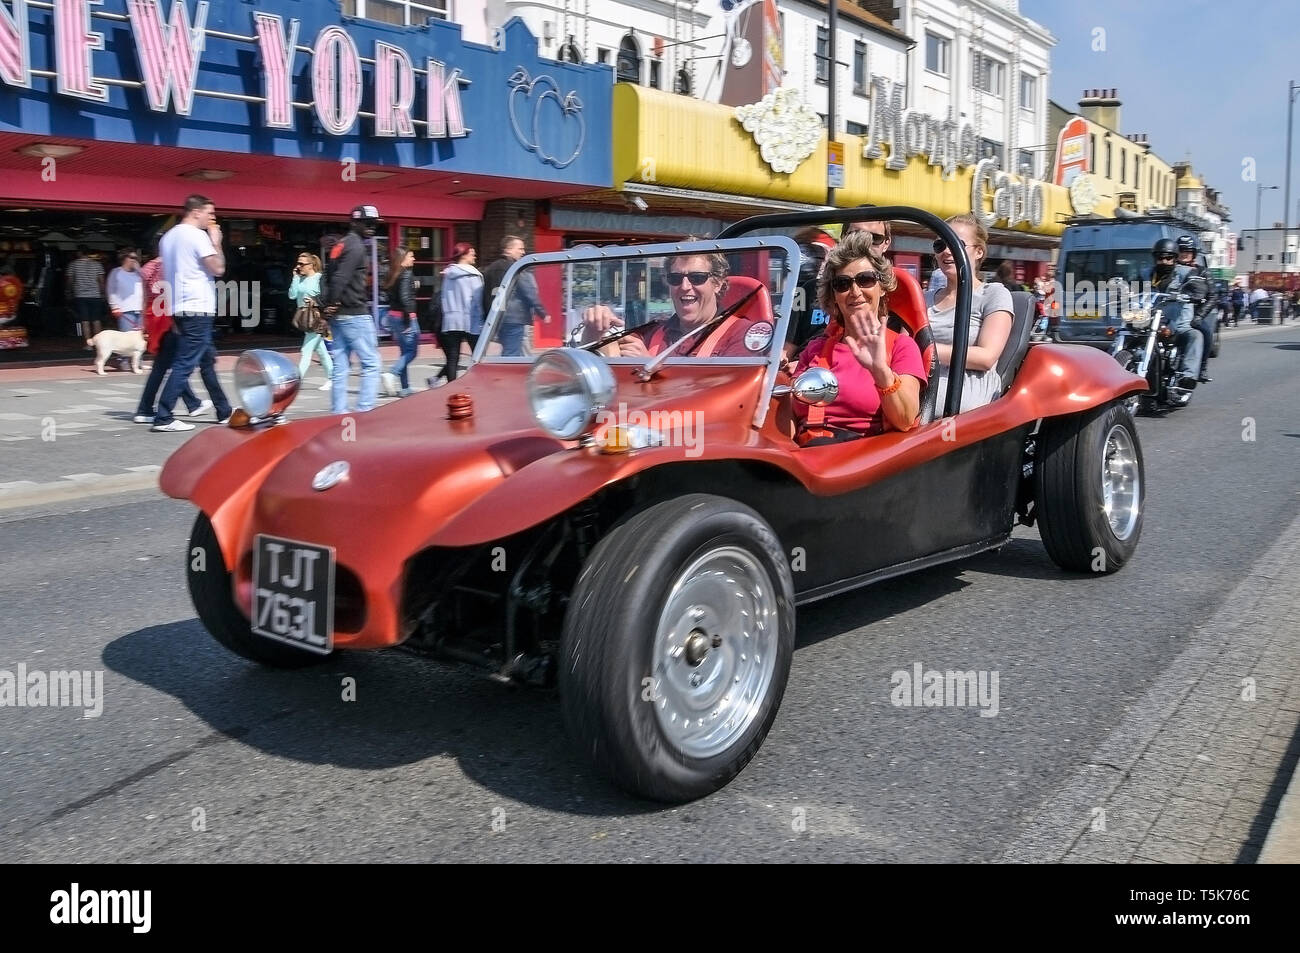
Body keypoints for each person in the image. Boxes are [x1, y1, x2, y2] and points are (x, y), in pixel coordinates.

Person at [785, 231, 925, 445]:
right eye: (842, 284)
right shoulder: (816, 349)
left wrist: (881, 373)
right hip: (807, 456)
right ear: (833, 297)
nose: (854, 291)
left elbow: (905, 421)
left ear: (883, 288)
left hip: (864, 459)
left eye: (865, 280)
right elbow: (791, 416)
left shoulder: (901, 347)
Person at [581, 249, 770, 358]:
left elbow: (730, 399)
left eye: (697, 277)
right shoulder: (652, 333)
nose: (685, 286)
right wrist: (593, 331)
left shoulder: (742, 334)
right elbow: (603, 366)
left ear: (718, 283)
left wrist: (650, 367)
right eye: (675, 278)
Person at [152, 194, 233, 433]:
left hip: (178, 305)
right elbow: (218, 269)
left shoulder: (168, 237)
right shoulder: (198, 236)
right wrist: (216, 242)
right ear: (196, 211)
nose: (213, 217)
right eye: (210, 213)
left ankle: (223, 410)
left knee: (206, 360)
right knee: (185, 363)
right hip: (198, 306)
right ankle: (163, 416)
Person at [927, 215, 1014, 413]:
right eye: (940, 245)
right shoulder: (923, 298)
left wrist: (926, 349)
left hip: (966, 408)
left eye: (957, 244)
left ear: (978, 251)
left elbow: (986, 357)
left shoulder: (993, 294)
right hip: (916, 403)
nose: (947, 251)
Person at [134, 245, 206, 423]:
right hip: (167, 313)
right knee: (175, 363)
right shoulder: (171, 266)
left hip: (154, 313)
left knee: (166, 362)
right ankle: (153, 409)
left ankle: (190, 404)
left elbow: (145, 295)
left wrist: (143, 320)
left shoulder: (149, 267)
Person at [323, 205, 383, 413]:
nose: (371, 227)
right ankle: (364, 412)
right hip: (355, 314)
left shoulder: (341, 244)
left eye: (374, 223)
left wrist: (328, 307)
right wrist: (330, 303)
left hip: (339, 316)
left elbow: (328, 276)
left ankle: (338, 413)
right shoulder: (356, 247)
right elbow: (339, 278)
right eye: (367, 223)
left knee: (341, 365)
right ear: (354, 223)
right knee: (371, 363)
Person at [1149, 237, 1203, 404]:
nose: (1164, 261)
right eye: (1160, 257)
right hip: (1150, 320)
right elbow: (1133, 287)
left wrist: (1196, 293)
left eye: (1168, 258)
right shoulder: (1146, 273)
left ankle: (1188, 377)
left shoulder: (1186, 273)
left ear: (1174, 258)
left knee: (1196, 336)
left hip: (1178, 322)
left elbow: (1199, 286)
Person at [482, 235, 549, 357]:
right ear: (508, 250)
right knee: (512, 354)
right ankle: (506, 376)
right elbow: (528, 291)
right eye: (520, 249)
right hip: (514, 318)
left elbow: (486, 293)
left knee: (509, 351)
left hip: (497, 316)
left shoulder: (490, 268)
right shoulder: (515, 268)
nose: (523, 252)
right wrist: (542, 312)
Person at [431, 242, 483, 387]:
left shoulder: (449, 273)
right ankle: (478, 383)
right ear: (464, 255)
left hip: (451, 319)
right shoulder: (473, 274)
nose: (475, 256)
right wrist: (483, 317)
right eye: (472, 253)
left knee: (453, 357)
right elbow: (477, 299)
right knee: (478, 355)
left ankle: (451, 388)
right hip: (470, 319)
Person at [289, 251, 332, 390]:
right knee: (321, 351)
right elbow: (292, 295)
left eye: (302, 264)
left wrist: (315, 301)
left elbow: (326, 297)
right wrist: (295, 278)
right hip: (304, 317)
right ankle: (332, 378)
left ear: (311, 265)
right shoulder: (300, 279)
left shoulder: (319, 278)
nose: (299, 266)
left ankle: (296, 381)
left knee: (306, 350)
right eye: (298, 264)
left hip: (316, 317)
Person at [1175, 236, 1214, 383]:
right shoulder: (1170, 270)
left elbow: (1213, 296)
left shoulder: (1202, 272)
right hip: (1170, 312)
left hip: (1193, 313)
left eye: (1188, 251)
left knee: (1205, 333)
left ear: (1194, 254)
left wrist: (1199, 315)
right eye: (1181, 251)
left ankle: (1201, 368)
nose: (1184, 254)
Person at [381, 249, 419, 397]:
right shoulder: (406, 274)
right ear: (402, 259)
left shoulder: (393, 274)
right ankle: (392, 373)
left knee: (404, 352)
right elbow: (404, 298)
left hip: (393, 316)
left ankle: (405, 388)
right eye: (411, 256)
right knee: (412, 352)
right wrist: (409, 316)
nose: (414, 258)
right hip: (405, 317)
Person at [105, 249, 143, 371]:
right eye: (132, 257)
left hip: (140, 308)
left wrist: (140, 269)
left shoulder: (139, 274)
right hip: (125, 309)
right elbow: (111, 290)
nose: (134, 260)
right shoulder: (116, 272)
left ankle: (137, 362)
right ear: (125, 258)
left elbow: (147, 283)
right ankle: (124, 360)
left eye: (136, 258)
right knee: (125, 338)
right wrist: (114, 306)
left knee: (139, 338)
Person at [66, 245, 105, 343]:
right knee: (96, 320)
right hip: (96, 295)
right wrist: (103, 293)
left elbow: (70, 281)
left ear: (79, 252)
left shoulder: (73, 265)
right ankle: (99, 343)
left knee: (85, 320)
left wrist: (68, 292)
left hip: (80, 295)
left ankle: (88, 344)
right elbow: (101, 281)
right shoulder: (97, 264)